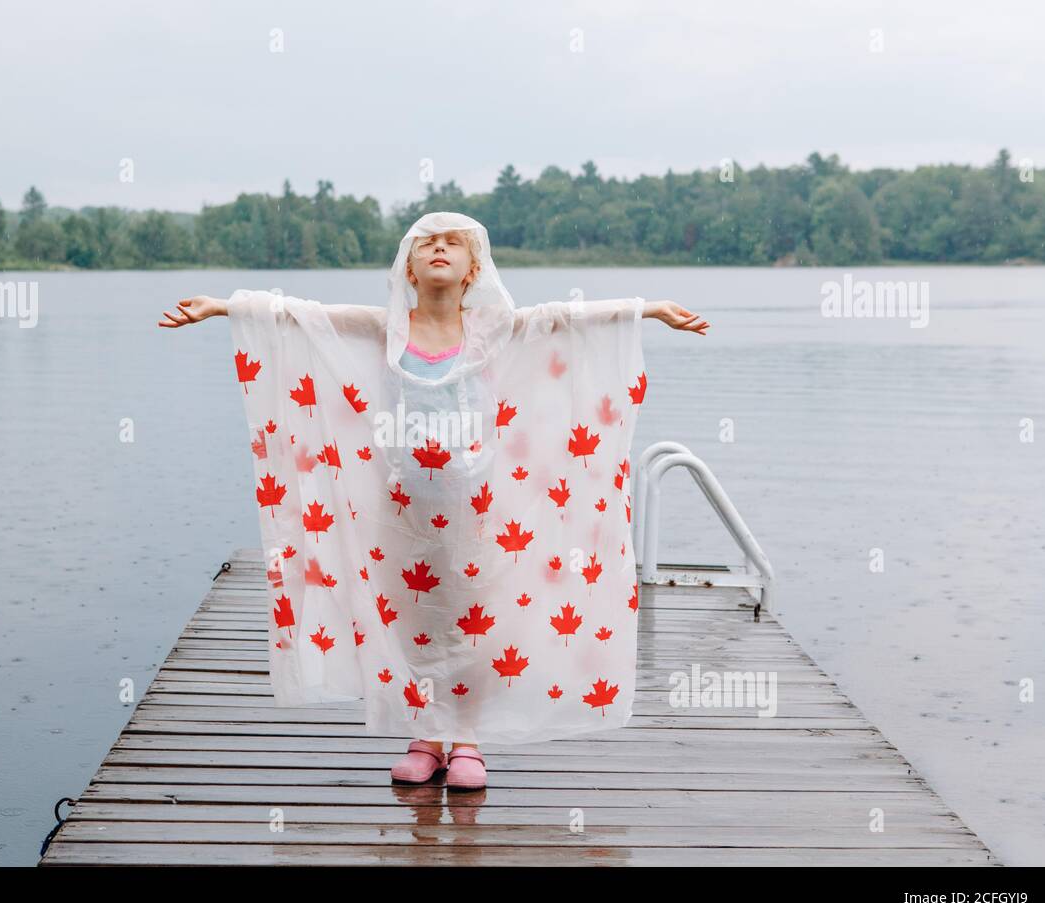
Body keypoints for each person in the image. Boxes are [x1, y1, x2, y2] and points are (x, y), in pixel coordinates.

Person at [160, 211, 707, 791]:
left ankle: (466, 740)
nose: (439, 250)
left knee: (472, 618)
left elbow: (565, 321)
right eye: (427, 244)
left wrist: (647, 309)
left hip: (479, 507)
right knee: (414, 616)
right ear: (410, 267)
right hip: (400, 508)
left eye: (453, 244)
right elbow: (305, 318)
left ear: (474, 268)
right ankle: (424, 735)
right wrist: (224, 306)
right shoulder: (387, 330)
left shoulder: (495, 330)